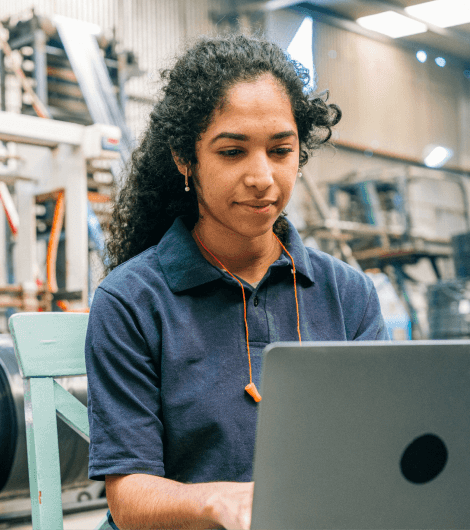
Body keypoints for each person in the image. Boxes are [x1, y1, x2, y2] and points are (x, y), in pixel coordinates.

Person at [86, 34, 387, 530]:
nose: (262, 176)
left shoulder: (347, 295)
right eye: (232, 152)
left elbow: (380, 447)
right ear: (186, 160)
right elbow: (130, 499)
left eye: (280, 150)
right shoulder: (132, 302)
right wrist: (218, 503)